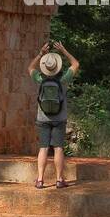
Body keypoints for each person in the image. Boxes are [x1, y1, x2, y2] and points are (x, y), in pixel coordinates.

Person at [29, 40, 79, 189]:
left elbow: (30, 67)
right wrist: (63, 50)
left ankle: (40, 180)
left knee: (43, 148)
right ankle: (58, 180)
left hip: (43, 118)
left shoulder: (39, 79)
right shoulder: (63, 80)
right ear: (58, 68)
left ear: (45, 68)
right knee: (58, 148)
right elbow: (76, 64)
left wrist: (40, 54)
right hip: (59, 118)